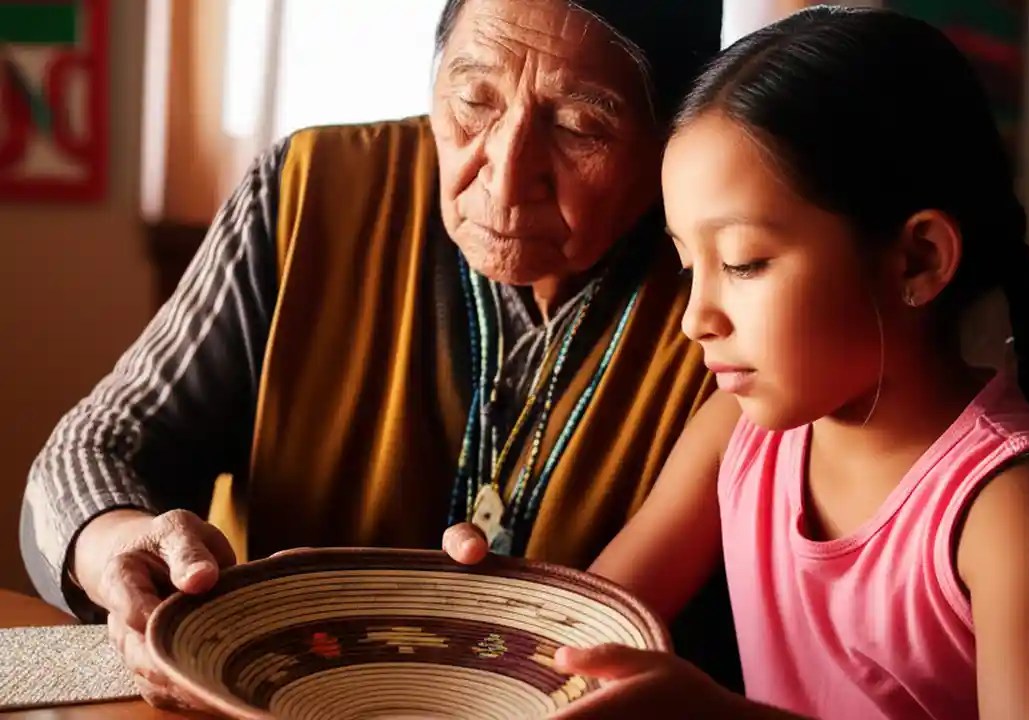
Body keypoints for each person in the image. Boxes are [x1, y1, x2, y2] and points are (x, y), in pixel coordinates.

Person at [20, 0, 740, 710]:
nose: (505, 174)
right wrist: (120, 547)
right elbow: (96, 447)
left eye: (580, 126)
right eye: (474, 101)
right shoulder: (310, 192)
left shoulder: (733, 283)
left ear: (670, 134)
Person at [448, 7, 1029, 719]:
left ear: (917, 260)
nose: (695, 319)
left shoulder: (1012, 509)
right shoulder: (737, 436)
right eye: (688, 267)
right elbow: (582, 641)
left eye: (743, 263)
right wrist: (489, 607)